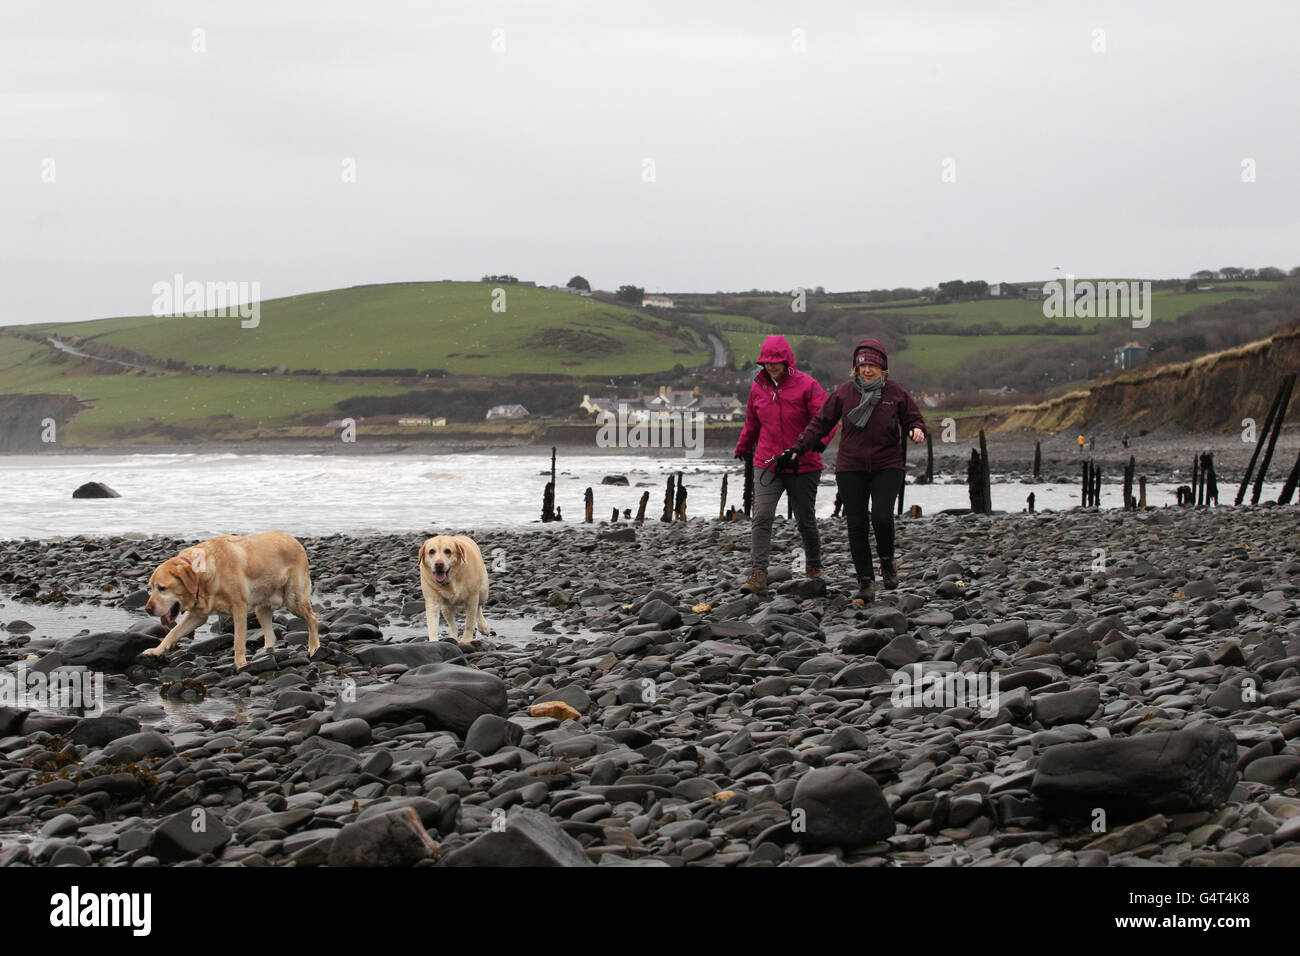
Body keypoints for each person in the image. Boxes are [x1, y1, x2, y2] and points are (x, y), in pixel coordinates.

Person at [776, 338, 926, 604]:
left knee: (881, 517)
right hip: (851, 467)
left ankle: (887, 559)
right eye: (862, 365)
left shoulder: (896, 392)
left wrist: (917, 429)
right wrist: (798, 448)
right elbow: (820, 423)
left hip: (887, 465)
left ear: (883, 368)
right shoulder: (844, 393)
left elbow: (913, 418)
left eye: (873, 365)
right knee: (856, 524)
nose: (867, 370)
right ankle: (865, 582)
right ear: (855, 368)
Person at [733, 335, 835, 594]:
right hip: (767, 461)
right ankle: (758, 575)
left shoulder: (808, 385)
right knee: (762, 515)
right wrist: (743, 446)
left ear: (786, 360)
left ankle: (813, 567)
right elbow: (752, 423)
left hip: (804, 462)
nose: (770, 367)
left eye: (775, 362)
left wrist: (820, 443)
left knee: (805, 519)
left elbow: (827, 419)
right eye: (766, 362)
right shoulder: (758, 387)